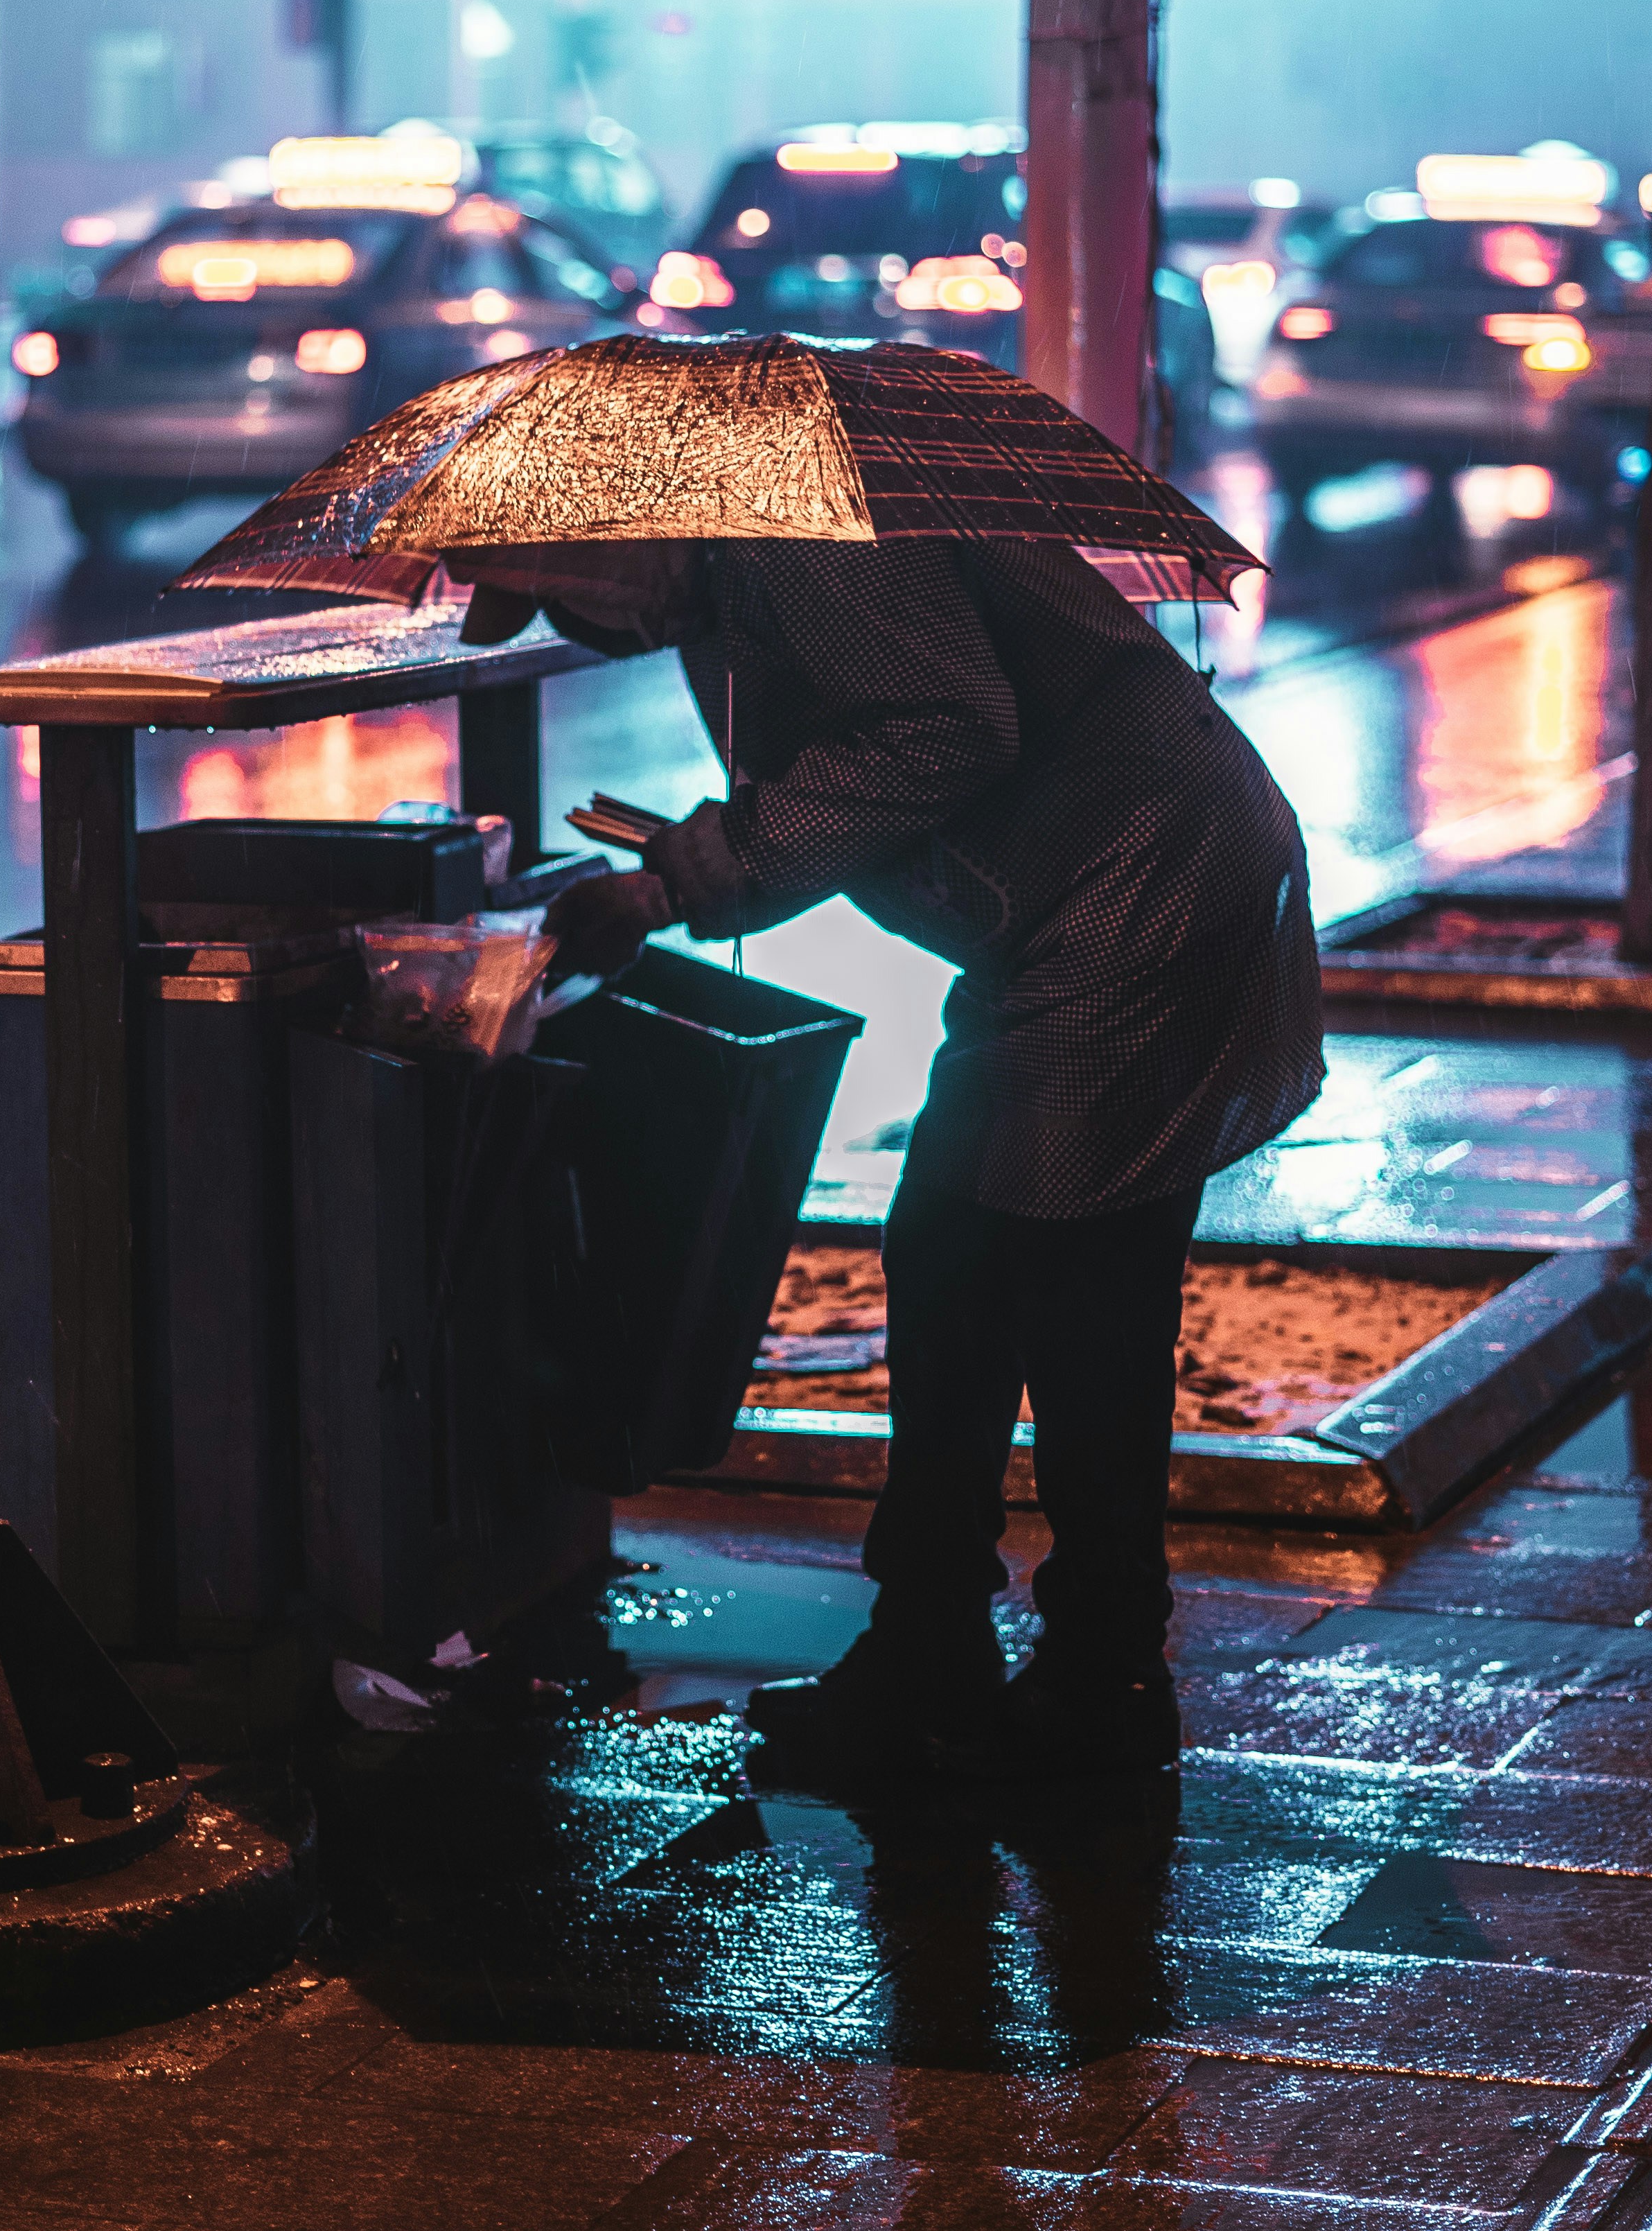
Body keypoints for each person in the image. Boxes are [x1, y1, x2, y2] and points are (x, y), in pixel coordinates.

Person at [445, 537, 1323, 1785]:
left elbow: (946, 730)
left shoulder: (811, 546)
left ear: (622, 536)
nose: (579, 628)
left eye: (565, 590)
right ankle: (937, 1648)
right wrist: (680, 874)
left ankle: (1102, 1686)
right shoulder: (724, 583)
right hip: (1076, 905)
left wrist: (690, 878)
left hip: (1136, 891)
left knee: (1081, 1292)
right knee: (955, 1260)